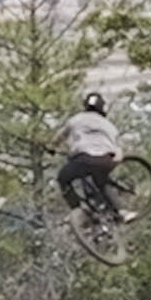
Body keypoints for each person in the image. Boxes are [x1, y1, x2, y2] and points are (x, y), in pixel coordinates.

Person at [56, 93, 124, 222]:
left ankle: (76, 210)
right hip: (107, 159)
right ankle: (122, 211)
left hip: (84, 159)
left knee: (63, 178)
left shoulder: (76, 119)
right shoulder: (108, 124)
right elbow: (118, 144)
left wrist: (51, 147)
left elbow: (60, 136)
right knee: (101, 180)